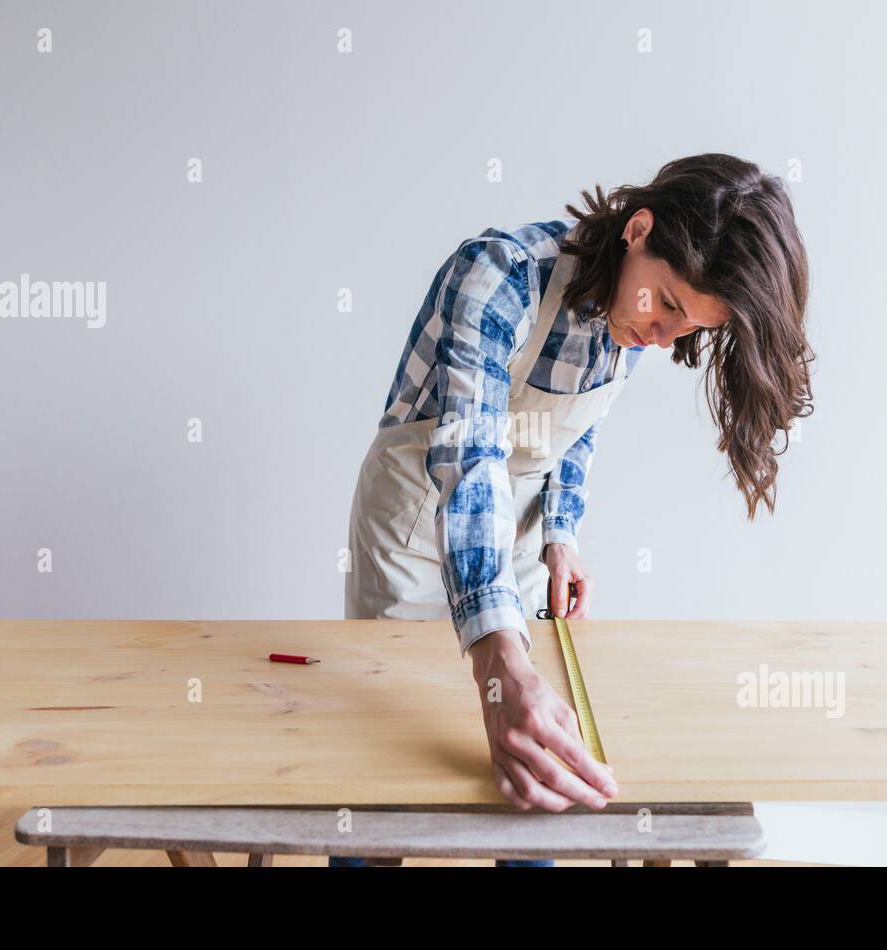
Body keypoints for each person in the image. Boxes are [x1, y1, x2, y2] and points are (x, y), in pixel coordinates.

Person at [338, 153, 814, 866]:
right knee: (386, 775)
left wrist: (560, 534)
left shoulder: (637, 315)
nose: (663, 337)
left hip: (522, 530)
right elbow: (470, 462)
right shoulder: (498, 275)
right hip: (415, 523)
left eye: (690, 328)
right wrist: (497, 658)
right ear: (638, 230)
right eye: (668, 304)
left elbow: (575, 427)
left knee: (537, 774)